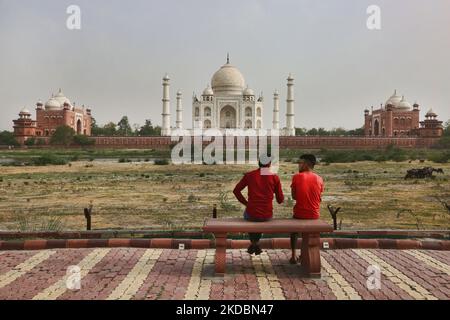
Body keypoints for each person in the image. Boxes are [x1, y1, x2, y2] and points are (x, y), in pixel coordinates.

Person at [233, 156, 284, 255]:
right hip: (267, 215)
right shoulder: (274, 177)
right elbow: (280, 200)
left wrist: (246, 203)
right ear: (269, 164)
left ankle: (254, 244)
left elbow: (236, 191)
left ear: (259, 163)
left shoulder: (249, 175)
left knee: (250, 215)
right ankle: (255, 244)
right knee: (261, 217)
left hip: (251, 213)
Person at [290, 154, 324, 264]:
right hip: (314, 215)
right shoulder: (319, 178)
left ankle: (293, 255)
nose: (298, 165)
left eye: (300, 163)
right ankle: (304, 254)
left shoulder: (296, 177)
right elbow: (319, 197)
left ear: (306, 164)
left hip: (299, 214)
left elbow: (294, 196)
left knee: (293, 231)